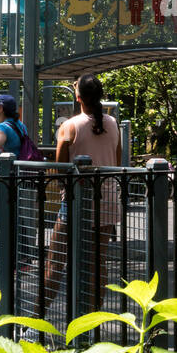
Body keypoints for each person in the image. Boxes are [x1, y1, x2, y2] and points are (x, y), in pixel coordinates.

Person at [43, 75, 121, 307]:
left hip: (77, 203)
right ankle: (92, 321)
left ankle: (35, 321)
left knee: (55, 261)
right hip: (107, 201)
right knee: (98, 262)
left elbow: (60, 169)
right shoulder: (113, 123)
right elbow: (115, 163)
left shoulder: (69, 126)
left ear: (78, 98)